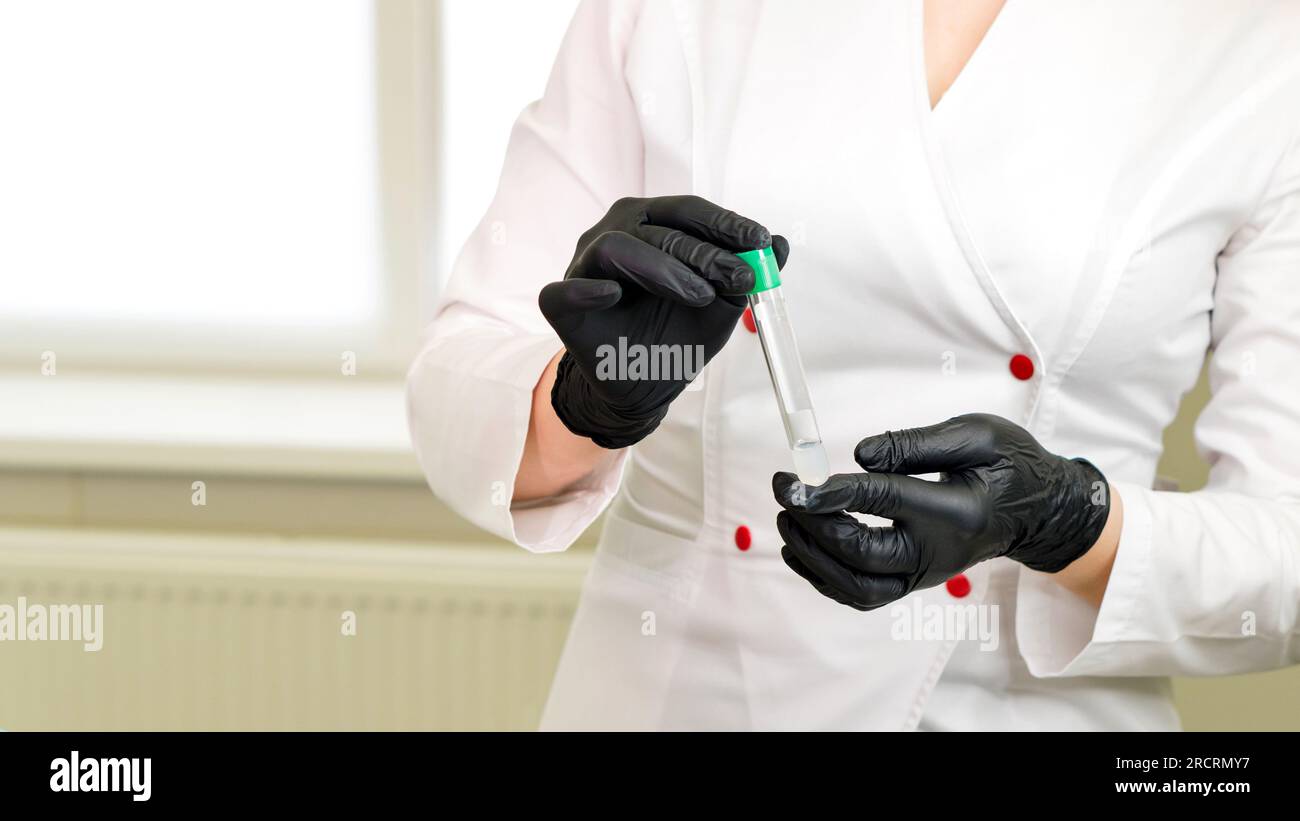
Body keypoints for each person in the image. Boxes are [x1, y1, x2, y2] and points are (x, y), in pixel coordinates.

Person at [407, 0, 1300, 730]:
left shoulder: (1256, 44)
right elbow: (458, 375)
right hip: (687, 696)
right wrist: (584, 402)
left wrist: (1072, 523)